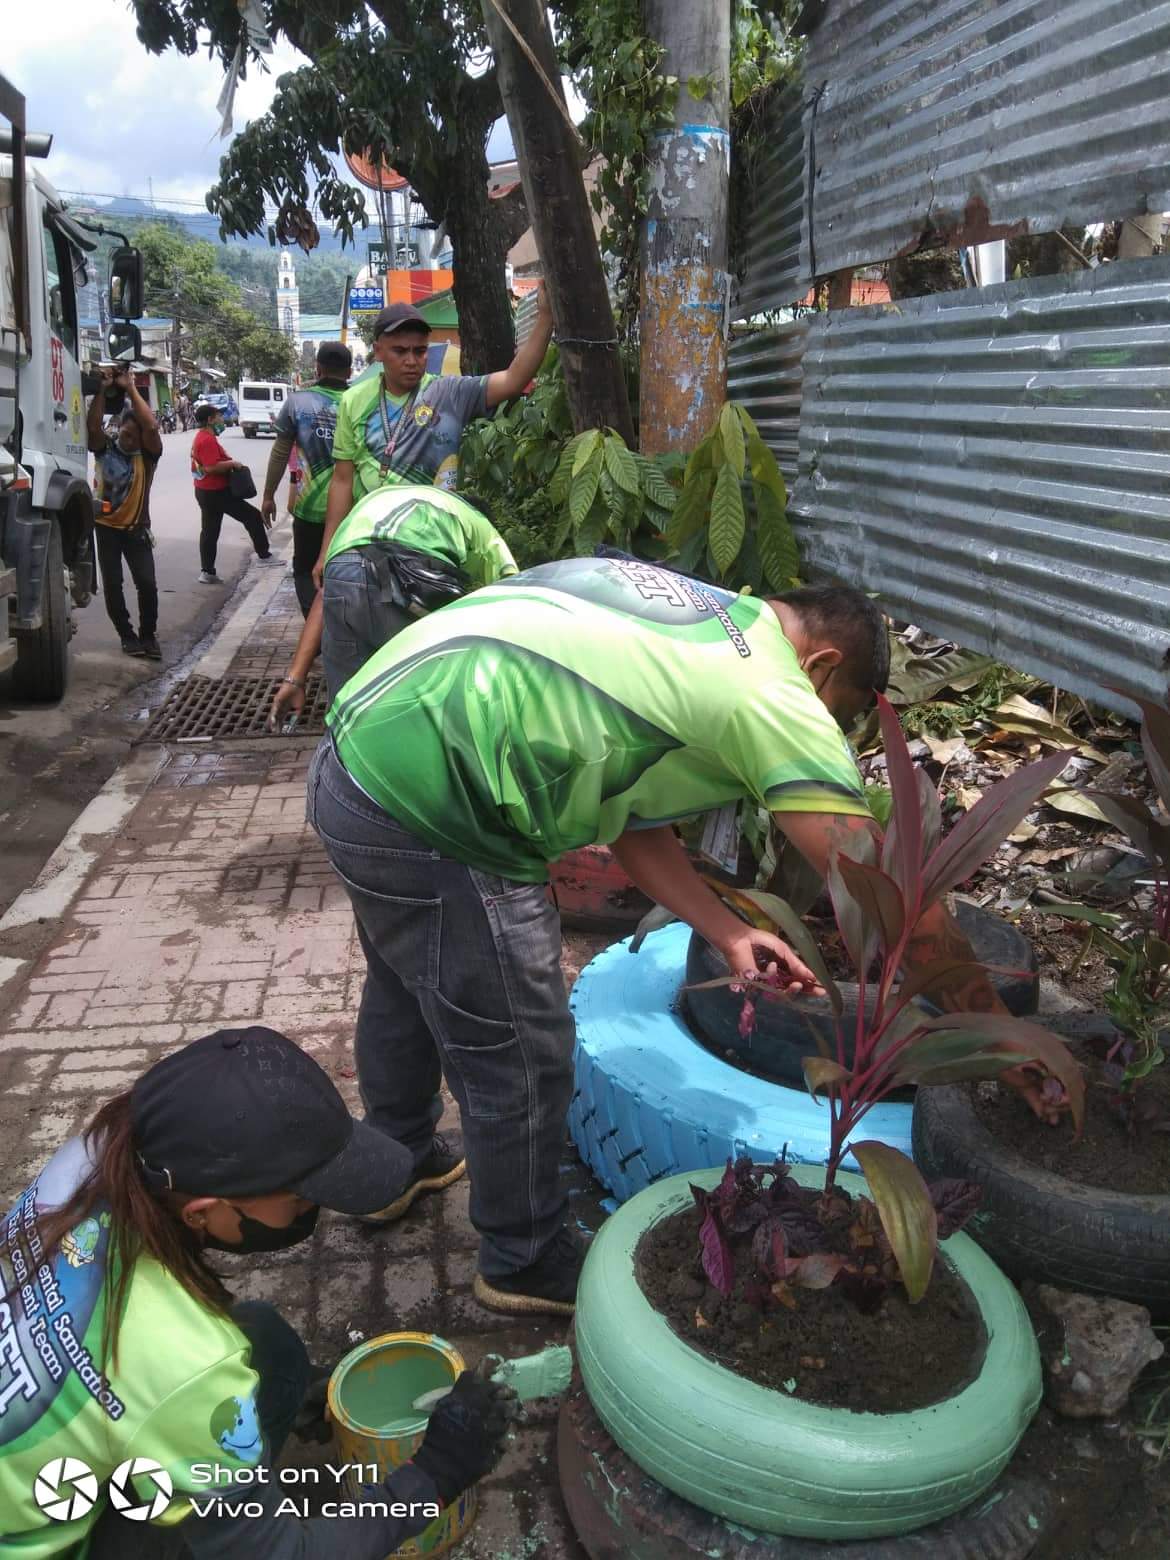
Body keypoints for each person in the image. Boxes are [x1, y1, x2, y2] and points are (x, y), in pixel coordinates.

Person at [308, 560, 1063, 1318]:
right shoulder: (773, 692)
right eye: (840, 715)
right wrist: (1004, 1042)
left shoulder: (703, 619)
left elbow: (632, 818)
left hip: (358, 761)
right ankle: (522, 1258)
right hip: (431, 805)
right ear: (822, 665)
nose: (830, 733)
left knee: (406, 979)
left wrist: (730, 933)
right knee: (522, 1049)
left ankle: (398, 1161)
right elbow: (904, 909)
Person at [0, 1026, 517, 1559]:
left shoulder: (91, 1163)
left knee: (268, 1347)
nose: (316, 1212)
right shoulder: (186, 1361)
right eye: (300, 1201)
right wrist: (432, 1476)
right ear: (203, 1212)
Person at [314, 287, 554, 588]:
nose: (412, 360)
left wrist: (546, 316)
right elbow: (342, 481)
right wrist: (328, 550)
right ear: (378, 352)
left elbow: (514, 379)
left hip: (435, 545)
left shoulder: (449, 394)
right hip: (372, 543)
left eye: (420, 351)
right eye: (400, 351)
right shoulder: (354, 401)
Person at [269, 485, 518, 727]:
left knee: (348, 716)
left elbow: (324, 596)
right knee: (414, 704)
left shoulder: (388, 496)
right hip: (402, 576)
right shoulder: (480, 525)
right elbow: (512, 598)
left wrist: (295, 678)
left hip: (341, 570)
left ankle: (344, 764)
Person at [261, 342, 352, 617]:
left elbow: (279, 453)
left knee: (303, 570)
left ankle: (316, 629)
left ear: (318, 368)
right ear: (349, 371)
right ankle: (336, 631)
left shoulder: (297, 402)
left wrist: (268, 495)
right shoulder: (361, 400)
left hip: (309, 510)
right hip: (351, 508)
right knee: (345, 571)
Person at [87, 366, 162, 660]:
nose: (132, 440)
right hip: (106, 528)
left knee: (147, 583)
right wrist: (103, 390)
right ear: (120, 430)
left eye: (137, 435)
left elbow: (153, 427)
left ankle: (148, 635)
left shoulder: (147, 456)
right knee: (113, 585)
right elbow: (93, 427)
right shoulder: (105, 448)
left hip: (137, 529)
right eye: (129, 434)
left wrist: (130, 388)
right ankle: (127, 636)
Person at [191, 403, 276, 583]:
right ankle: (264, 556)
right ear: (210, 420)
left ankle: (207, 572)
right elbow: (211, 467)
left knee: (210, 531)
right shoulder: (206, 440)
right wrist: (232, 464)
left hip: (205, 490)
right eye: (219, 417)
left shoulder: (203, 437)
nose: (222, 420)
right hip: (215, 492)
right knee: (252, 517)